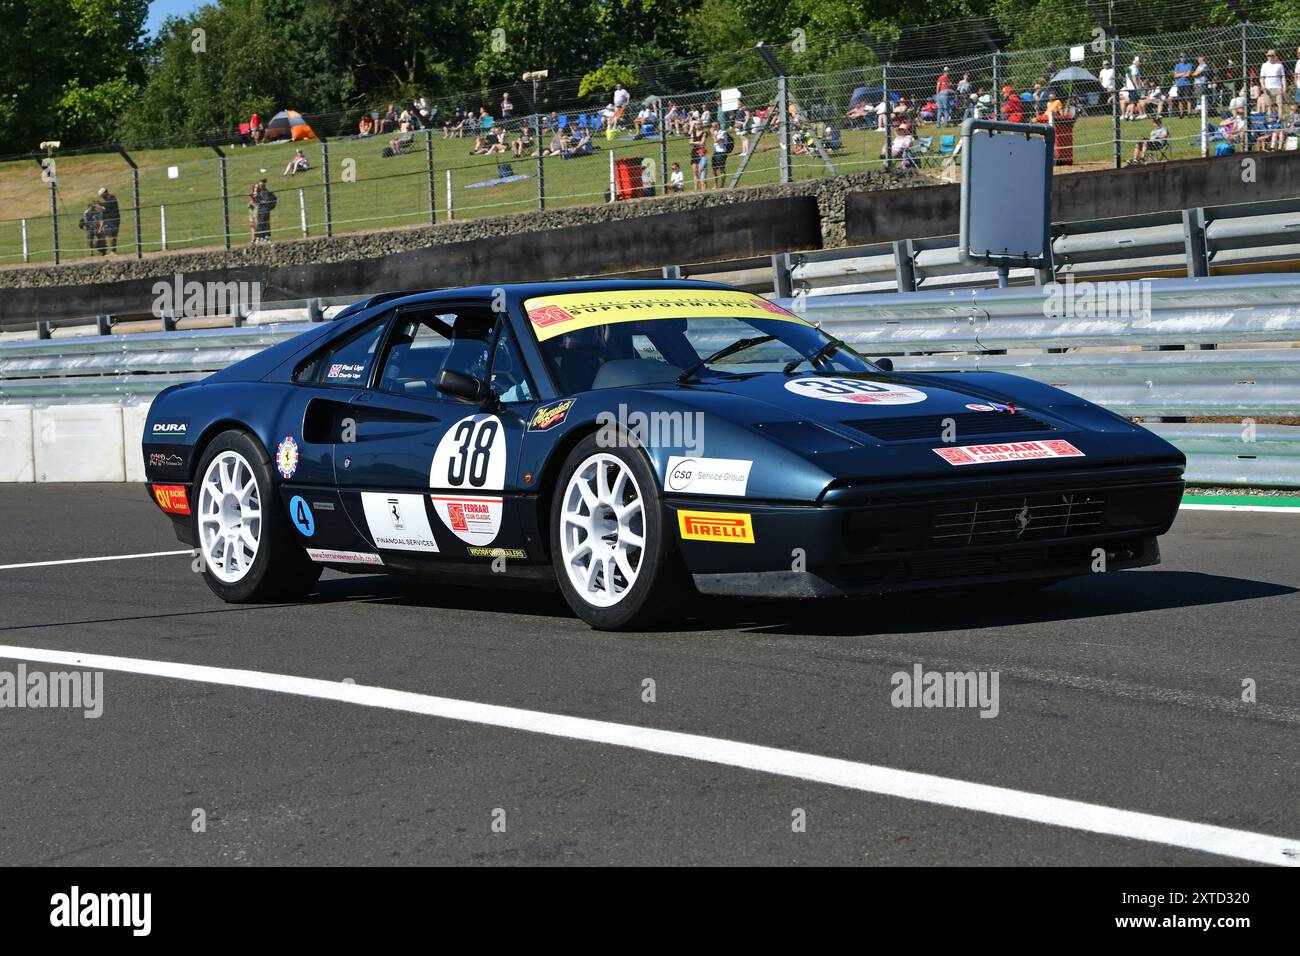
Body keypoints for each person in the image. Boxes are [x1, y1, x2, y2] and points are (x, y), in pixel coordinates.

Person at [1259, 49, 1287, 115]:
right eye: (1268, 56)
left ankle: (1280, 120)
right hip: (1268, 87)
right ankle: (1270, 121)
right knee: (1269, 105)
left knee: (1280, 104)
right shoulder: (1264, 65)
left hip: (1278, 87)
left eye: (1271, 56)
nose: (1269, 57)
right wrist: (1263, 85)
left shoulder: (1279, 65)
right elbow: (1262, 77)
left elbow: (1283, 76)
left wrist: (1284, 86)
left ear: (1275, 56)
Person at [97, 187, 121, 254]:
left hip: (112, 220)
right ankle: (113, 251)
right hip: (112, 219)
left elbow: (107, 207)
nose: (102, 197)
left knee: (111, 236)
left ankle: (113, 252)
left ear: (105, 193)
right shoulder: (110, 199)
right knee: (112, 236)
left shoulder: (111, 198)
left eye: (102, 195)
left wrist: (100, 205)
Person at [709, 119, 729, 188]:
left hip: (722, 152)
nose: (712, 128)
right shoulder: (715, 132)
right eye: (711, 126)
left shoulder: (723, 132)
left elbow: (716, 140)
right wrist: (713, 133)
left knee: (721, 169)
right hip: (715, 152)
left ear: (717, 126)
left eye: (713, 126)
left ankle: (722, 184)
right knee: (713, 170)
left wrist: (712, 133)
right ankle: (715, 184)